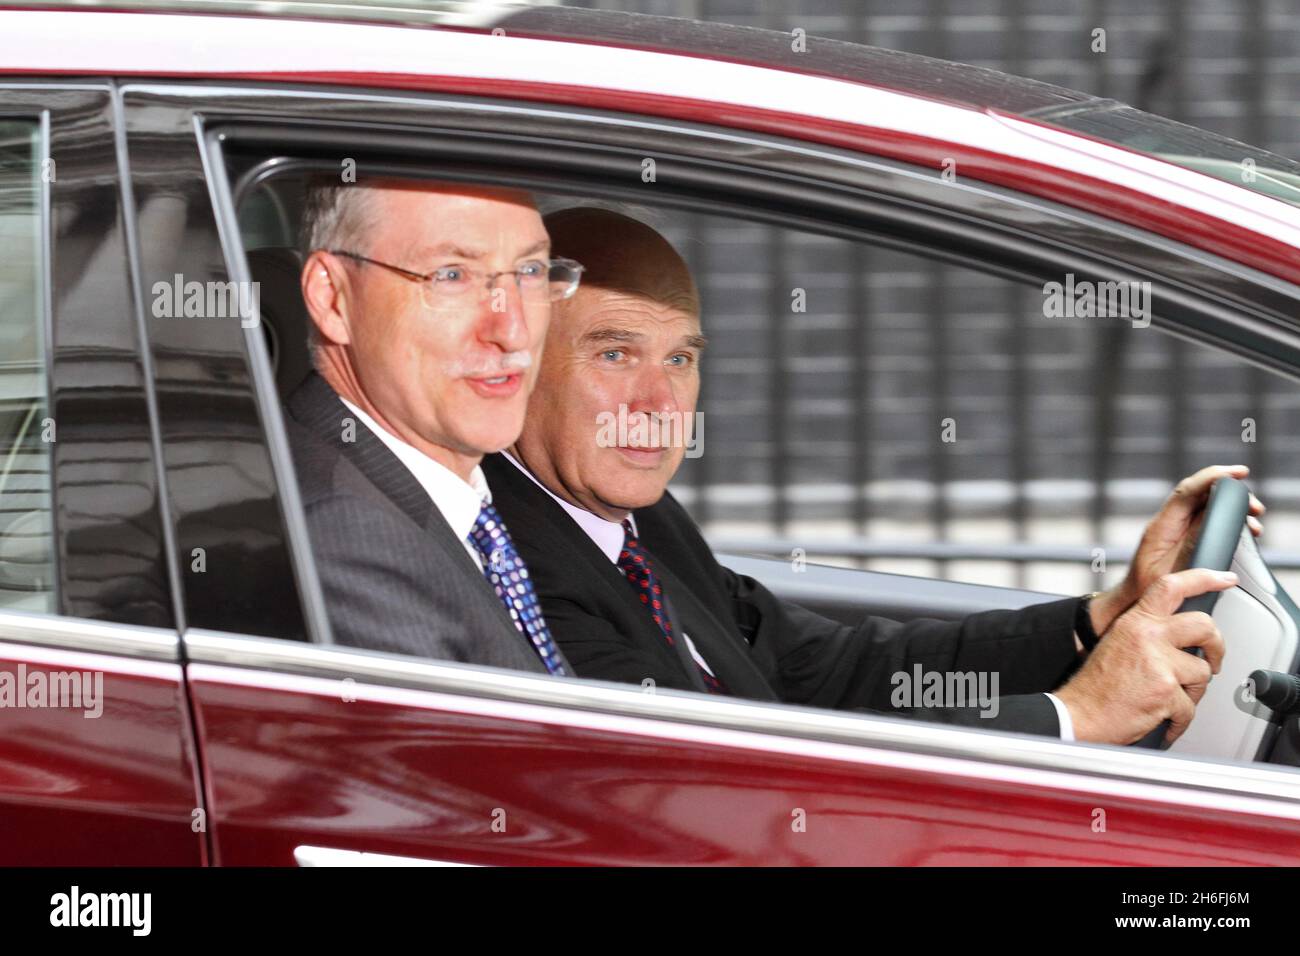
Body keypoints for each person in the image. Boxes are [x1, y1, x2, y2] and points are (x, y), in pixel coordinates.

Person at [482, 206, 1264, 744]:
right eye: (614, 355)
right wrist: (1073, 718)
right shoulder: (516, 563)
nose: (658, 403)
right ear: (520, 369)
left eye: (681, 360)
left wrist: (1106, 613)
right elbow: (727, 785)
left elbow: (828, 669)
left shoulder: (636, 522)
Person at [286, 178, 583, 674]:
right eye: (452, 276)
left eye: (530, 271)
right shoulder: (347, 537)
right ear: (332, 298)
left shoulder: (432, 493)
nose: (513, 330)